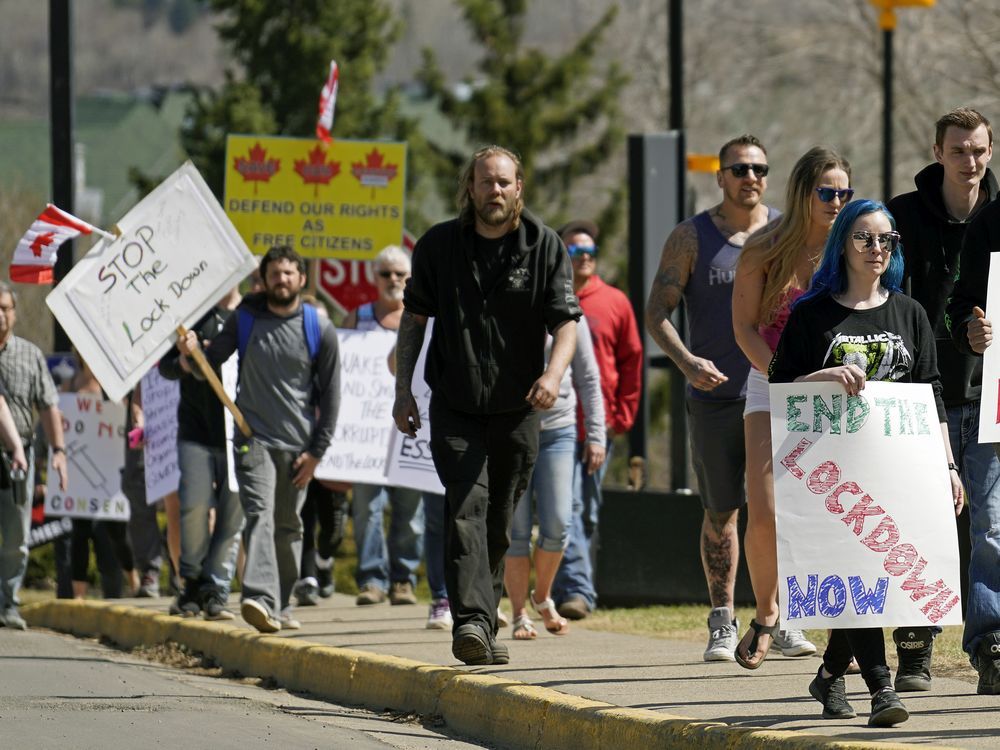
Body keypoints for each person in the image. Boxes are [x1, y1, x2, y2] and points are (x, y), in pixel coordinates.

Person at [770, 198, 963, 727]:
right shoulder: (812, 313)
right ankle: (881, 687)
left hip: (899, 471)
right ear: (843, 245)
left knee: (876, 575)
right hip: (830, 474)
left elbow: (930, 394)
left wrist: (947, 467)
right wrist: (823, 377)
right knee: (854, 571)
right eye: (864, 237)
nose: (877, 248)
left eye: (886, 239)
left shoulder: (910, 312)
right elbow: (780, 383)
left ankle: (830, 675)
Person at [394, 144, 581, 665]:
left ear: (518, 188)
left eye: (503, 182)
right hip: (455, 404)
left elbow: (566, 323)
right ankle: (472, 622)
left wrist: (553, 374)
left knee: (499, 520)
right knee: (465, 508)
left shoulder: (543, 245)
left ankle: (483, 621)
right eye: (485, 182)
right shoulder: (438, 246)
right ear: (470, 188)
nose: (494, 190)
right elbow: (414, 319)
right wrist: (403, 389)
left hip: (518, 408)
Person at [645, 134, 778, 661]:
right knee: (722, 511)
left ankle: (781, 617)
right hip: (717, 395)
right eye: (739, 169)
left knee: (781, 510)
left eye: (759, 169)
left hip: (778, 395)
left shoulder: (785, 230)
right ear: (719, 177)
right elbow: (656, 312)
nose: (750, 177)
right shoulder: (691, 236)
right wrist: (687, 362)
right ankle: (722, 620)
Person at [887, 106, 998, 692]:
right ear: (937, 153)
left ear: (990, 150)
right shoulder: (902, 218)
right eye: (958, 150)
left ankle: (991, 646)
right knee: (921, 523)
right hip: (917, 398)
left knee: (990, 528)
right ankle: (915, 645)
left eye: (978, 149)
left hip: (988, 396)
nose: (969, 161)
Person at [731, 146, 852, 668]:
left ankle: (843, 636)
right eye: (827, 192)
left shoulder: (852, 246)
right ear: (803, 192)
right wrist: (784, 377)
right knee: (765, 510)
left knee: (832, 513)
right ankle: (767, 614)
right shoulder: (763, 248)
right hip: (771, 382)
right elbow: (744, 329)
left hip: (834, 391)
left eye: (844, 193)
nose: (836, 202)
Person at [178, 246, 341, 633]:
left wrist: (316, 453)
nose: (281, 279)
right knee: (259, 514)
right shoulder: (245, 319)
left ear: (302, 279)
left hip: (299, 449)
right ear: (263, 280)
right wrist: (192, 353)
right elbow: (208, 367)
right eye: (274, 273)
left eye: (288, 273)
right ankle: (260, 598)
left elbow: (332, 396)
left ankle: (281, 604)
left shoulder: (320, 327)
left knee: (289, 526)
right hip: (253, 440)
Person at [551, 218, 642, 621]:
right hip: (554, 422)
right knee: (564, 506)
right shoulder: (546, 298)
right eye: (575, 250)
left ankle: (567, 587)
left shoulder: (614, 302)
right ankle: (577, 590)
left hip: (597, 425)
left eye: (590, 251)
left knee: (585, 510)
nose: (584, 258)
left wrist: (620, 416)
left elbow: (631, 361)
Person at [505, 317, 604, 640]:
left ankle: (542, 596)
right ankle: (519, 613)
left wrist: (596, 435)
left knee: (559, 523)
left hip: (558, 432)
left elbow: (588, 377)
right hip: (510, 429)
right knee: (516, 529)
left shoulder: (572, 315)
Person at [944, 163, 1000, 699]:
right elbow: (960, 305)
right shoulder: (992, 222)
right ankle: (992, 645)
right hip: (994, 400)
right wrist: (971, 330)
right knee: (991, 528)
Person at [343, 246, 425, 607]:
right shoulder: (355, 319)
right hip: (365, 436)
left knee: (411, 512)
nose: (393, 280)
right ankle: (372, 579)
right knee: (366, 510)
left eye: (400, 274)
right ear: (374, 278)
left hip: (410, 431)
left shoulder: (422, 318)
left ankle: (403, 579)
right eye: (385, 274)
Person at [160, 287, 245, 620]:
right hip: (196, 432)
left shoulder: (253, 313)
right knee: (194, 505)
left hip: (241, 433)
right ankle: (191, 582)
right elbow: (166, 368)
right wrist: (185, 358)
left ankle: (216, 589)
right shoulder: (192, 316)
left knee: (232, 516)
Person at [0, 281, 66, 628]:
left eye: (4, 308)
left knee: (17, 536)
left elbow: (48, 405)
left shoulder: (30, 355)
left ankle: (7, 603)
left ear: (14, 312)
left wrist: (58, 450)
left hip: (18, 458)